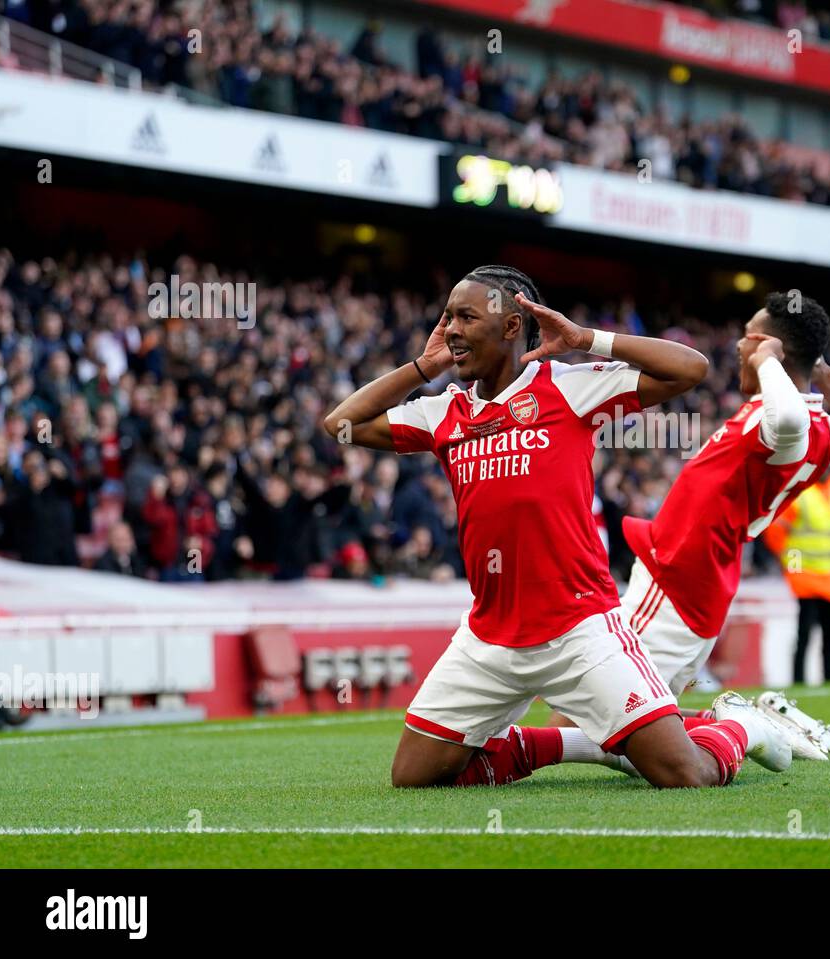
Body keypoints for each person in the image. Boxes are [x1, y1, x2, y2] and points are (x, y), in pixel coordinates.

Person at [323, 265, 795, 790]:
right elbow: (343, 423)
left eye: (466, 317)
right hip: (489, 638)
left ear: (510, 326)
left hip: (580, 630)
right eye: (448, 317)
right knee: (416, 777)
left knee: (687, 775)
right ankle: (583, 744)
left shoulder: (570, 389)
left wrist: (587, 339)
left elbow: (690, 369)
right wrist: (422, 366)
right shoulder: (444, 412)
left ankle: (740, 727)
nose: (451, 328)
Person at [612, 293, 830, 758]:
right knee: (639, 725)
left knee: (611, 722)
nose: (739, 347)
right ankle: (745, 721)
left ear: (769, 346)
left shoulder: (786, 425)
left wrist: (767, 359)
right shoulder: (816, 427)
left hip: (677, 574)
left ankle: (747, 726)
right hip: (697, 577)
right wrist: (826, 376)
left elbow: (791, 416)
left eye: (748, 337)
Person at [765, 470, 830, 685]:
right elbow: (777, 532)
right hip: (807, 577)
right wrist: (793, 569)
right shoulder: (800, 493)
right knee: (805, 634)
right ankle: (799, 680)